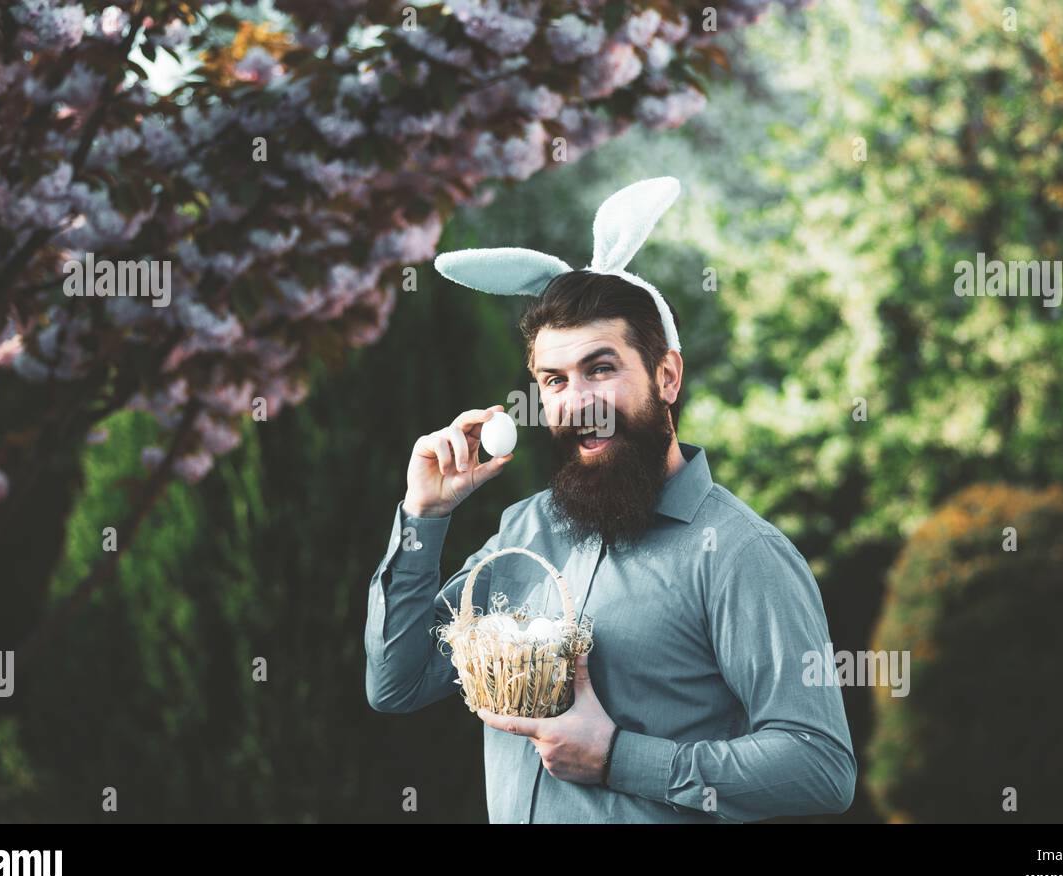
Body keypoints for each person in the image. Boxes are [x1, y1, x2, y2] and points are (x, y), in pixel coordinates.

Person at [365, 269, 857, 823]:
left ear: (667, 376)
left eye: (600, 369)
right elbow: (397, 683)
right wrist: (422, 516)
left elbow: (820, 767)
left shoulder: (742, 554)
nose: (578, 403)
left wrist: (618, 758)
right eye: (554, 381)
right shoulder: (523, 530)